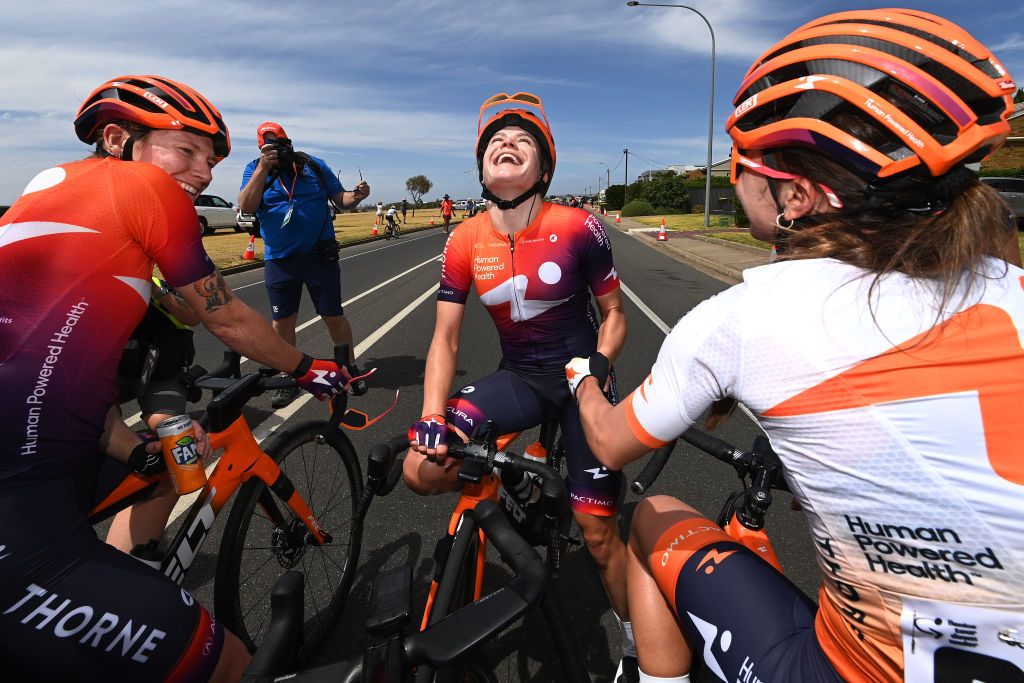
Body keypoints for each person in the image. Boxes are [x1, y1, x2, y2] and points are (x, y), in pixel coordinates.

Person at [567, 10, 1024, 683]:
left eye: (744, 161)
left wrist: (583, 376)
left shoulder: (745, 318)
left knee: (650, 517)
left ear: (798, 196)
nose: (733, 178)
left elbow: (608, 442)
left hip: (852, 669)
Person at [0, 74, 359, 683]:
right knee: (232, 665)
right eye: (186, 149)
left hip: (44, 455)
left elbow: (50, 355)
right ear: (118, 140)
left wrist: (126, 439)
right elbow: (225, 315)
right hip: (24, 510)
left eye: (212, 159)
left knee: (170, 461)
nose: (203, 172)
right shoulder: (146, 188)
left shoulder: (46, 190)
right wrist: (308, 367)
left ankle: (129, 568)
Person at [404, 92, 633, 678]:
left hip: (581, 379)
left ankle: (635, 642)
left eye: (522, 140)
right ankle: (516, 485)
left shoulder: (579, 227)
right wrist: (431, 415)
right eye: (496, 141)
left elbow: (614, 315)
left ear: (544, 170)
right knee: (420, 469)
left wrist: (599, 366)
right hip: (521, 377)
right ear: (482, 168)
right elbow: (445, 339)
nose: (506, 144)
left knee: (597, 531)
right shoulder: (464, 240)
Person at [238, 122, 371, 408]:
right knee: (282, 321)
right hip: (279, 260)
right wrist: (263, 168)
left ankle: (349, 368)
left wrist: (357, 195)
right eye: (268, 147)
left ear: (290, 142)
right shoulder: (253, 169)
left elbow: (342, 199)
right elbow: (246, 206)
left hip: (319, 257)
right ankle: (289, 377)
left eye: (280, 144)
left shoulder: (313, 165)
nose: (276, 151)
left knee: (333, 315)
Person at [109, 276, 205, 554]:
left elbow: (192, 317)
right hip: (101, 380)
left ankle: (134, 558)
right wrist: (133, 450)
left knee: (176, 456)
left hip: (158, 368)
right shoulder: (86, 295)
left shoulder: (154, 284)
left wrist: (155, 289)